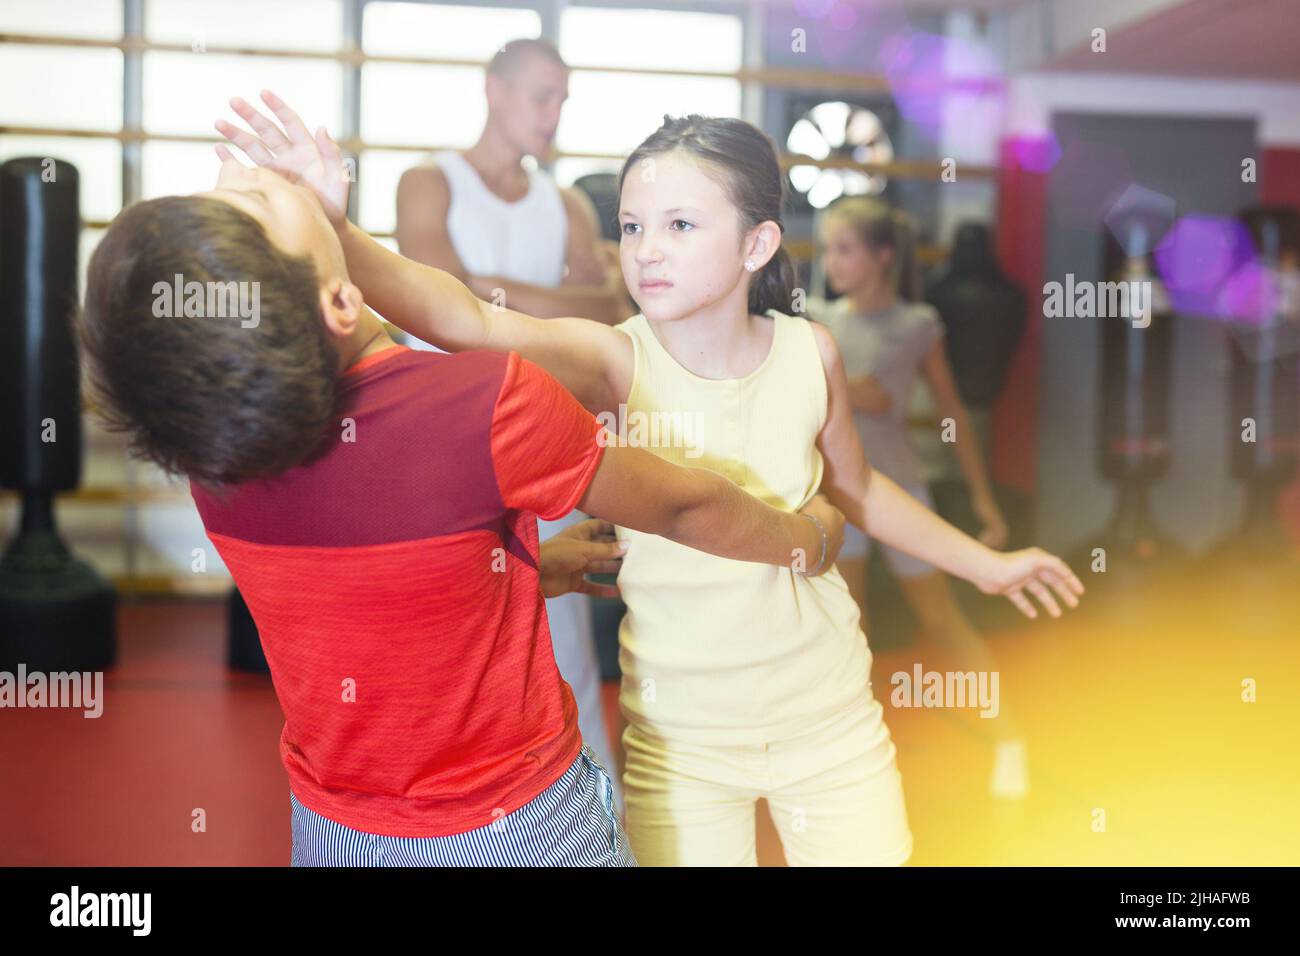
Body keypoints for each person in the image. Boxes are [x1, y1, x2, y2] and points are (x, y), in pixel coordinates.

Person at [218, 92, 1084, 866]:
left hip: (827, 714)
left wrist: (985, 563)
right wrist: (331, 229)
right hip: (681, 738)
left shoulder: (809, 352)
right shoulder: (615, 358)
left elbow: (857, 491)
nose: (647, 252)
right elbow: (461, 316)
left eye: (679, 225)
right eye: (632, 228)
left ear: (758, 243)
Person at [77, 120, 847, 867]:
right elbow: (685, 506)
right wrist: (804, 536)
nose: (247, 176)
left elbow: (392, 610)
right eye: (258, 205)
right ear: (339, 303)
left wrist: (525, 572)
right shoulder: (484, 404)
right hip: (519, 829)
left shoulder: (219, 461)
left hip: (335, 830)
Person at [394, 39, 631, 800]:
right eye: (542, 96)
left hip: (543, 431)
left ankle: (600, 824)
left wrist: (482, 293)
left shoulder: (563, 203)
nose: (554, 114)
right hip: (444, 445)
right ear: (494, 91)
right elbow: (434, 311)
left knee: (565, 639)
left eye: (564, 99)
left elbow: (607, 311)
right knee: (451, 637)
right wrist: (491, 299)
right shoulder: (428, 182)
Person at [812, 197, 1028, 798]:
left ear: (883, 256)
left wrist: (985, 501)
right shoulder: (823, 320)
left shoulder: (917, 323)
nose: (833, 260)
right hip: (839, 495)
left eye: (845, 248)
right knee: (849, 629)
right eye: (829, 248)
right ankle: (861, 760)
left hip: (899, 491)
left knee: (942, 619)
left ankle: (1010, 739)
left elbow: (950, 410)